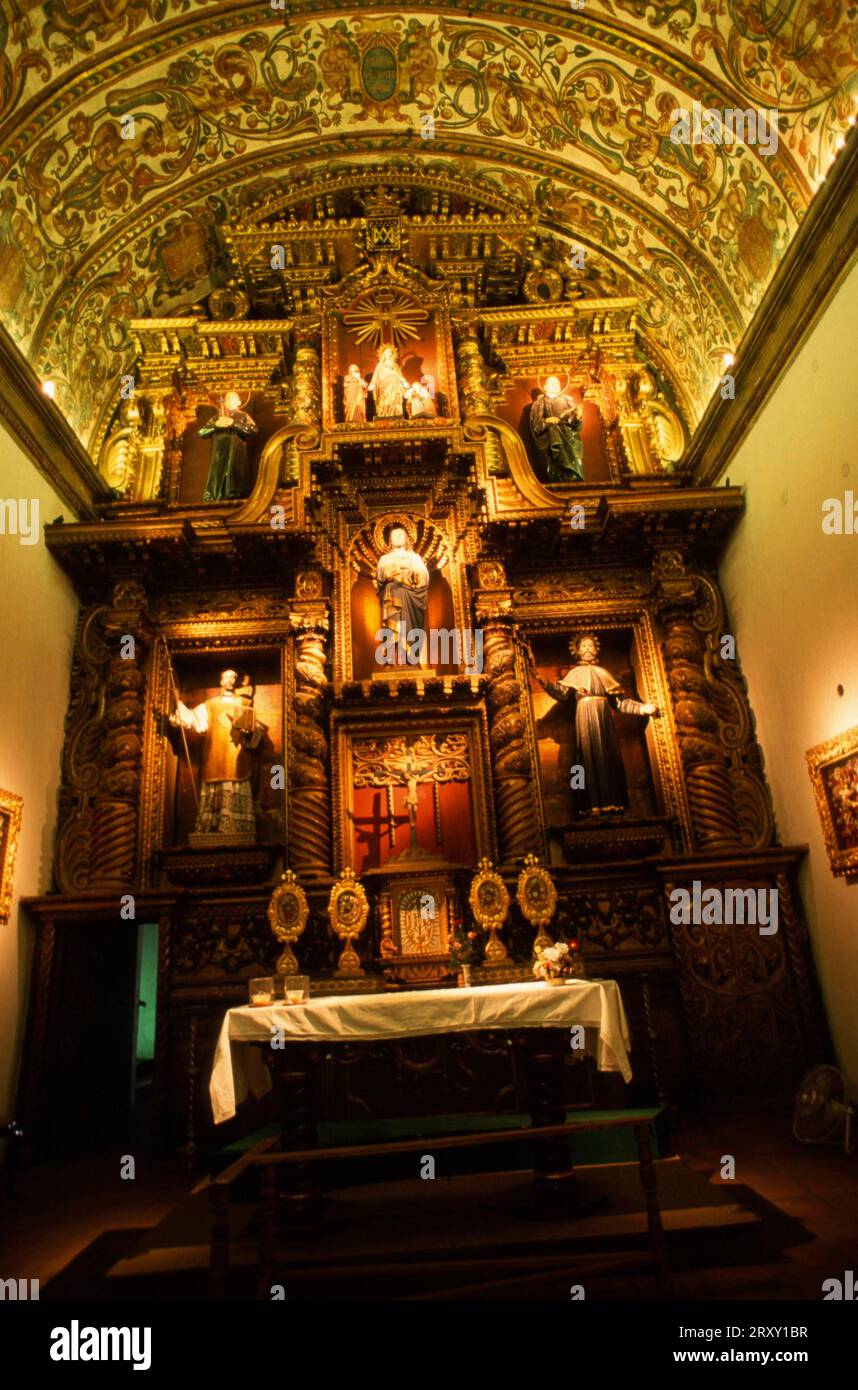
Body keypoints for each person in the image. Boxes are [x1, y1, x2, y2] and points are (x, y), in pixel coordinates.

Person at [532, 633, 659, 814]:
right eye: (583, 647)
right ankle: (586, 806)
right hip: (584, 720)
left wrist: (643, 709)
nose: (587, 650)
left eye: (591, 646)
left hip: (603, 722)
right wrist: (541, 679)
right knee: (583, 760)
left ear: (596, 650)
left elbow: (620, 703)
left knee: (609, 759)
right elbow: (561, 693)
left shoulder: (604, 674)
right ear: (577, 652)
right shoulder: (574, 674)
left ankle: (614, 803)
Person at [168, 668, 265, 838]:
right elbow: (192, 718)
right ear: (220, 681)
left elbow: (255, 730)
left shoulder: (242, 704)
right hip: (215, 756)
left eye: (233, 678)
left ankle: (236, 830)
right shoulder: (211, 705)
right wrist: (178, 703)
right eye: (226, 677)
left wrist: (250, 731)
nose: (230, 681)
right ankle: (211, 828)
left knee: (236, 786)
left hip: (236, 758)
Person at [375, 525, 430, 666]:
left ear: (407, 539)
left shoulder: (414, 557)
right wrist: (391, 575)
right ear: (389, 540)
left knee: (408, 627)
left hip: (409, 596)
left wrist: (409, 577)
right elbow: (380, 579)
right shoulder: (384, 559)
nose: (398, 538)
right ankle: (391, 660)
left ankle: (410, 660)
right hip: (391, 594)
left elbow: (424, 577)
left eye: (401, 535)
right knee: (391, 627)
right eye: (395, 535)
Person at [199, 391, 258, 500]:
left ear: (239, 402)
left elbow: (253, 430)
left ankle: (234, 492)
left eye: (232, 398)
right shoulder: (218, 417)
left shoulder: (243, 416)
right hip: (220, 449)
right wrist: (215, 426)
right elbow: (202, 432)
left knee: (233, 468)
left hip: (236, 449)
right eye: (227, 399)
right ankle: (213, 494)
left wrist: (234, 424)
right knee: (218, 470)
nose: (229, 401)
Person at [529, 376, 584, 482]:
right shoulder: (540, 403)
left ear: (559, 388)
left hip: (567, 433)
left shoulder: (567, 401)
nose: (553, 385)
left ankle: (572, 473)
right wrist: (547, 421)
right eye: (550, 383)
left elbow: (576, 426)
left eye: (556, 383)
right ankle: (561, 472)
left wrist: (577, 417)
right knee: (554, 432)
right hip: (550, 434)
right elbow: (536, 426)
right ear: (545, 387)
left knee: (572, 443)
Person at [368, 344, 408, 419]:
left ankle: (395, 413)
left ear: (392, 354)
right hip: (383, 387)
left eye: (390, 352)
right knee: (384, 401)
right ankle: (384, 413)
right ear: (383, 354)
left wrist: (404, 382)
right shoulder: (379, 365)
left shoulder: (395, 365)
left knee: (394, 399)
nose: (388, 353)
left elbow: (399, 375)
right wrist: (372, 384)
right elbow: (375, 377)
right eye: (386, 352)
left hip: (394, 386)